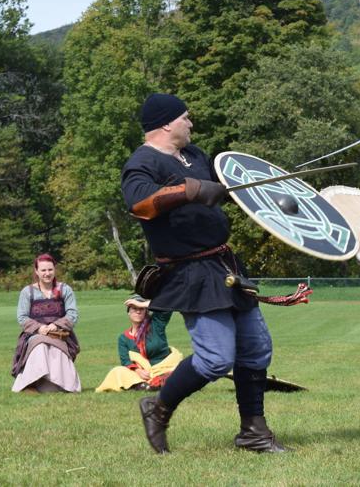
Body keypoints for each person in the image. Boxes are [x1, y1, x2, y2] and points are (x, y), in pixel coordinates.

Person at [121, 93, 286, 454]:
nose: (191, 123)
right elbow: (139, 204)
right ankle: (157, 407)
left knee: (256, 350)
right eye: (186, 118)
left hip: (225, 263)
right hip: (190, 271)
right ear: (166, 123)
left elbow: (224, 188)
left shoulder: (195, 156)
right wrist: (189, 190)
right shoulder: (142, 162)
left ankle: (253, 433)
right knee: (215, 359)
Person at [12, 254, 81, 393]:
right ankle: (30, 383)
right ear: (36, 271)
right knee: (40, 344)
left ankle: (60, 384)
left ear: (54, 270)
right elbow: (22, 317)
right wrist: (39, 328)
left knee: (56, 346)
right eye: (43, 270)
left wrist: (56, 325)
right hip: (35, 334)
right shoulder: (28, 292)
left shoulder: (65, 289)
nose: (47, 273)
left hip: (60, 334)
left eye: (50, 269)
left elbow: (73, 314)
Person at [96, 295, 182, 392]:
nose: (138, 311)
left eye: (141, 309)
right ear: (128, 313)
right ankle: (144, 385)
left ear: (146, 311)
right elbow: (125, 361)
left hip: (163, 368)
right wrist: (138, 370)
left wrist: (143, 303)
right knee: (117, 371)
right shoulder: (123, 338)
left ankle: (154, 383)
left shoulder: (156, 324)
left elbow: (166, 306)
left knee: (178, 373)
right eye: (134, 308)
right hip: (141, 373)